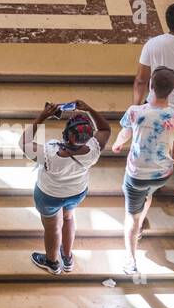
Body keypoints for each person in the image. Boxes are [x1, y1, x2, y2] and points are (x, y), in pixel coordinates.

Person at [21, 100, 110, 275]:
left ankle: (52, 263)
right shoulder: (93, 150)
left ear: (65, 134)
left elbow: (24, 143)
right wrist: (89, 108)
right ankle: (68, 258)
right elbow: (105, 129)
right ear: (89, 137)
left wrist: (43, 116)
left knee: (52, 228)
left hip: (48, 195)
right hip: (76, 192)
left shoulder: (49, 153)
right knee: (68, 219)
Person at [113, 67, 174, 275]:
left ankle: (131, 259)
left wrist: (117, 145)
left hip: (136, 174)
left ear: (151, 87)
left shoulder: (136, 112)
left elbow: (125, 134)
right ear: (172, 90)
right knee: (148, 195)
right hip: (162, 174)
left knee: (131, 217)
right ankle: (138, 230)